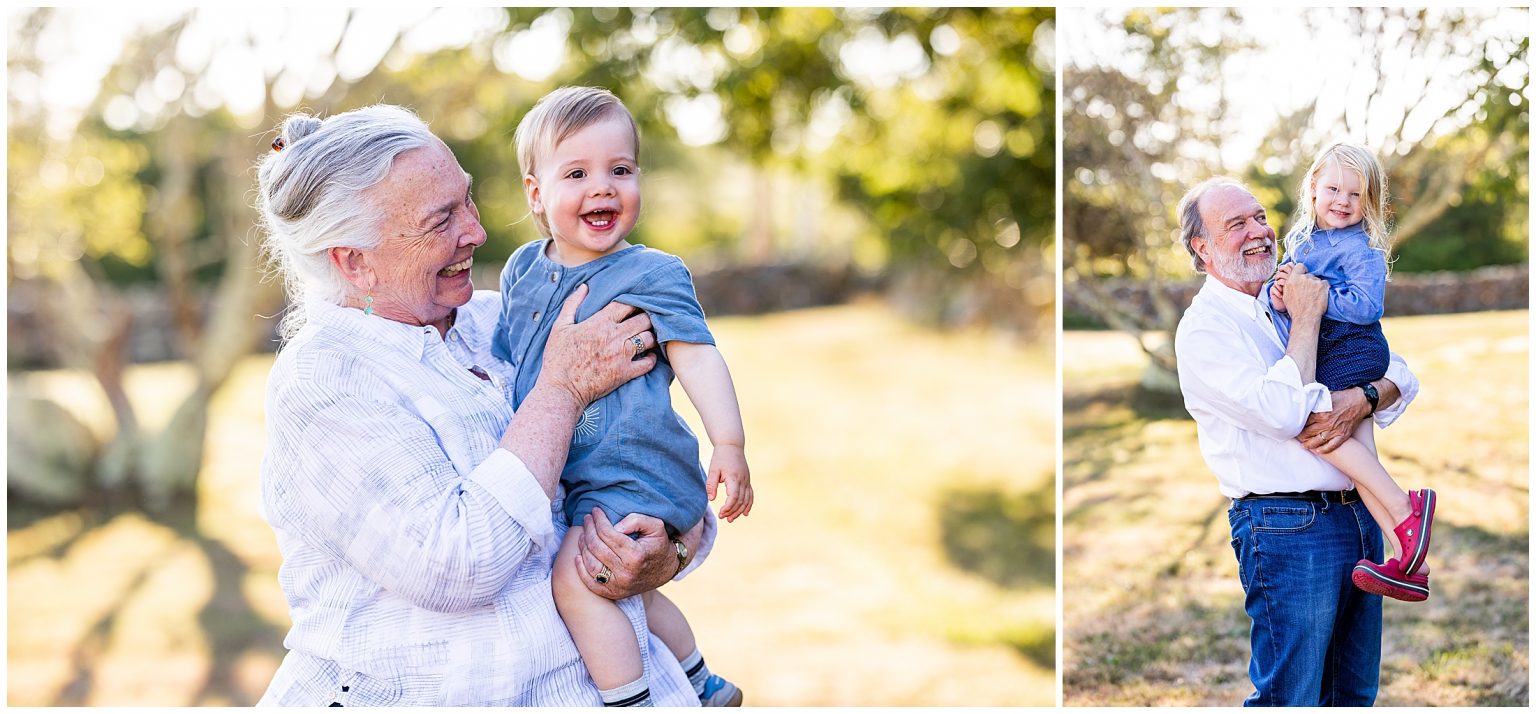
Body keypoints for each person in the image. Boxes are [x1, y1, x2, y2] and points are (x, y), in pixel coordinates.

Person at [254, 103, 716, 706]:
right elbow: (455, 566)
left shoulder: (501, 317)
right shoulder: (325, 379)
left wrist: (671, 549)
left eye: (466, 201)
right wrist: (559, 390)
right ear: (354, 261)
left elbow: (648, 443)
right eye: (441, 219)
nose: (476, 230)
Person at [494, 86, 752, 708]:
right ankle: (699, 680)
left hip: (637, 467)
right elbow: (506, 362)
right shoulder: (521, 272)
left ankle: (630, 700)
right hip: (582, 477)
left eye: (620, 170)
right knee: (622, 583)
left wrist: (729, 442)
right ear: (536, 193)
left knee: (577, 582)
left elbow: (696, 352)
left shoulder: (652, 273)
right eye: (576, 173)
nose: (602, 187)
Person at [1172, 177, 1421, 706]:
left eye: (1260, 217)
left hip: (1358, 517)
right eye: (1236, 224)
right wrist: (1307, 318)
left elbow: (1397, 368)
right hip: (1287, 529)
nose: (1259, 232)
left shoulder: (1288, 287)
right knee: (1292, 697)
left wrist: (1368, 396)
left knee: (1352, 695)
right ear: (1203, 248)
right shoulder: (1206, 330)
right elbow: (1286, 413)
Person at [1267, 143, 1435, 599]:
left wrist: (1316, 297)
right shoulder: (1301, 239)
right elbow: (1289, 297)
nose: (1342, 200)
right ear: (1313, 189)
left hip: (1353, 349)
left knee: (1317, 426)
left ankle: (1405, 509)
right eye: (1333, 189)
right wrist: (1280, 296)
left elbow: (1366, 307)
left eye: (1355, 195)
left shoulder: (1362, 250)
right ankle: (1406, 560)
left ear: (1370, 204)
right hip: (1330, 349)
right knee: (1362, 464)